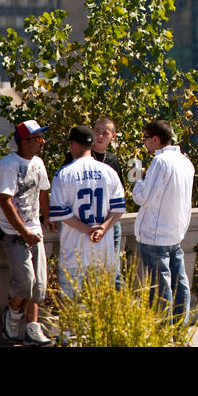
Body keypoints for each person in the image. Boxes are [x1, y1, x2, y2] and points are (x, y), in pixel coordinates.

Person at [0, 119, 53, 346]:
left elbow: (43, 192)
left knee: (39, 286)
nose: (42, 142)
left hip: (34, 229)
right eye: (37, 139)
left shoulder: (38, 163)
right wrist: (24, 232)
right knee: (26, 281)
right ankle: (14, 314)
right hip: (13, 233)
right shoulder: (8, 166)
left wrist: (46, 218)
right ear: (24, 142)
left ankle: (32, 329)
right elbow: (6, 202)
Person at [49, 125, 126, 295]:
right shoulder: (109, 172)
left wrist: (87, 229)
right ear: (91, 145)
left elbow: (60, 212)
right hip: (103, 249)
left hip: (73, 249)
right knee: (102, 305)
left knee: (71, 305)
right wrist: (103, 228)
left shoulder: (64, 174)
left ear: (73, 144)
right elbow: (119, 208)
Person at [133, 119, 196, 320]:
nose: (144, 143)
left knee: (160, 288)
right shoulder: (185, 161)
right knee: (180, 283)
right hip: (175, 232)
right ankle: (180, 332)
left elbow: (144, 197)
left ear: (156, 139)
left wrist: (136, 180)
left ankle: (162, 332)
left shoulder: (160, 162)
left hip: (155, 234)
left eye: (145, 138)